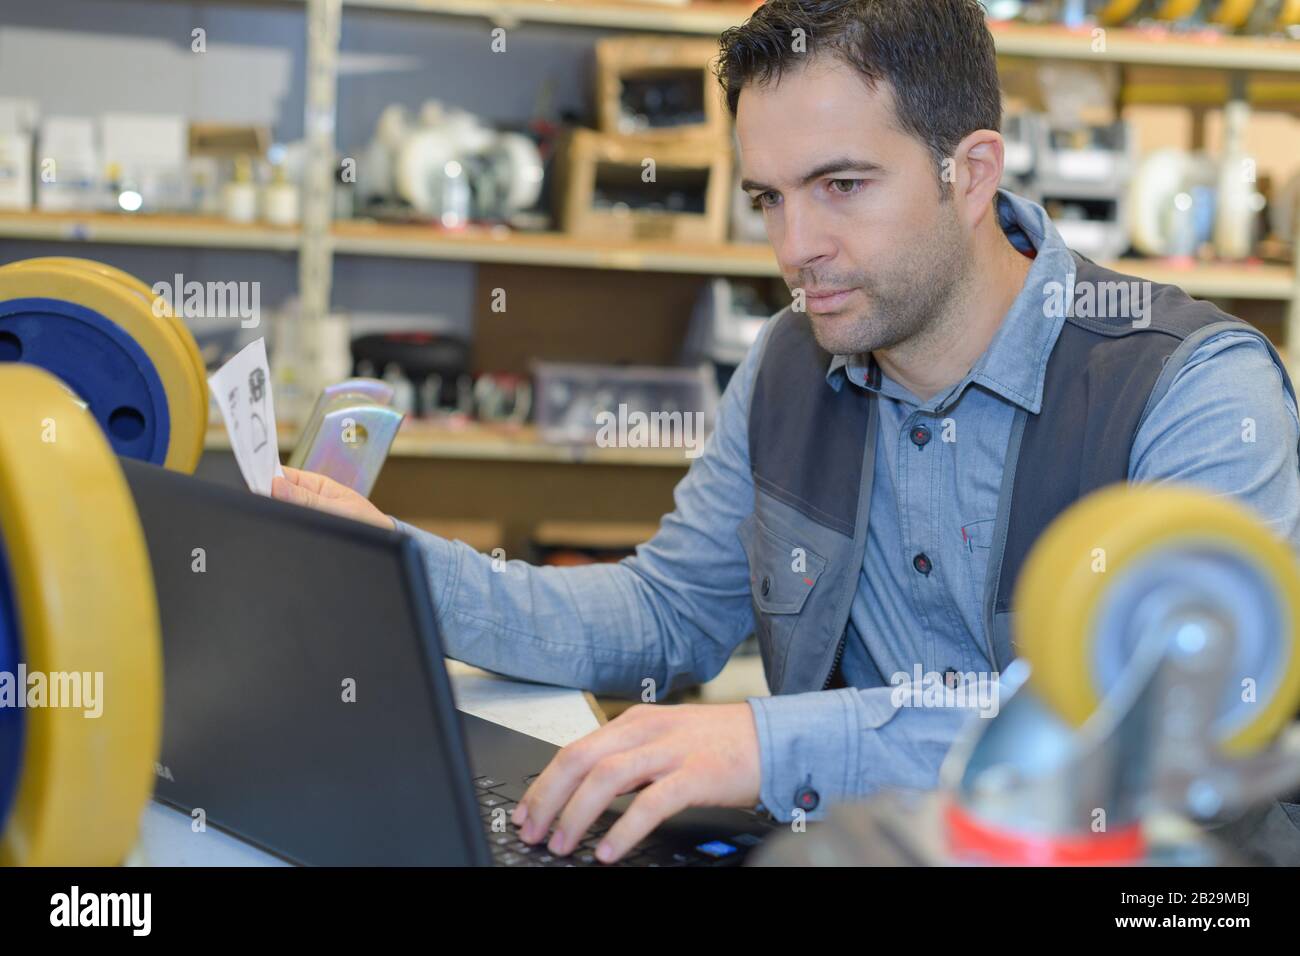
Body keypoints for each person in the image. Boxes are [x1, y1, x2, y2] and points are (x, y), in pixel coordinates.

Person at [272, 0, 1300, 864]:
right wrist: (399, 566)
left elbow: (1160, 732)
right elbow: (664, 609)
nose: (795, 248)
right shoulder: (786, 362)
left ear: (972, 171)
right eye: (768, 197)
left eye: (840, 185)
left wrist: (767, 743)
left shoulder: (1189, 389)